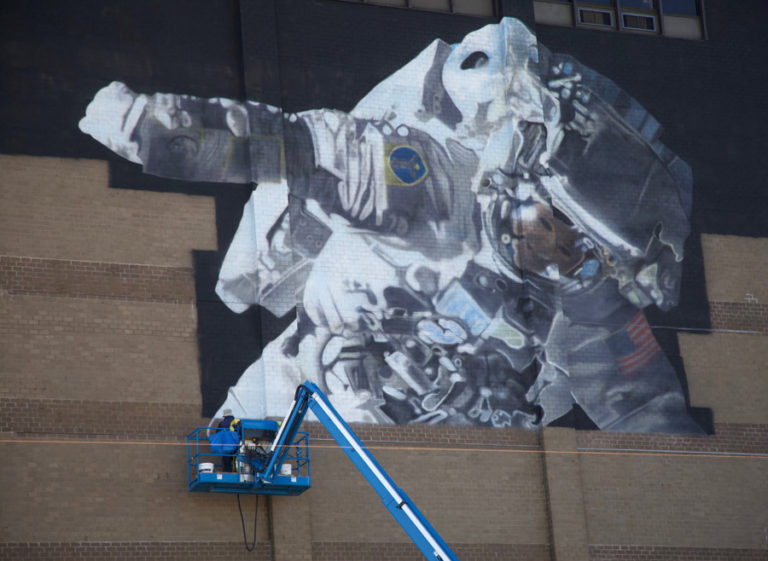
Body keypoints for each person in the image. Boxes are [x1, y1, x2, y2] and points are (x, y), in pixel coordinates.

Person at [79, 18, 702, 433]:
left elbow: (645, 405)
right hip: (287, 414)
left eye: (579, 248)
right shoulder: (425, 184)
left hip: (427, 477)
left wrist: (695, 489)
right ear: (515, 176)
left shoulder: (588, 300)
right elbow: (295, 145)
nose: (558, 250)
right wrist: (152, 127)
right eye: (553, 223)